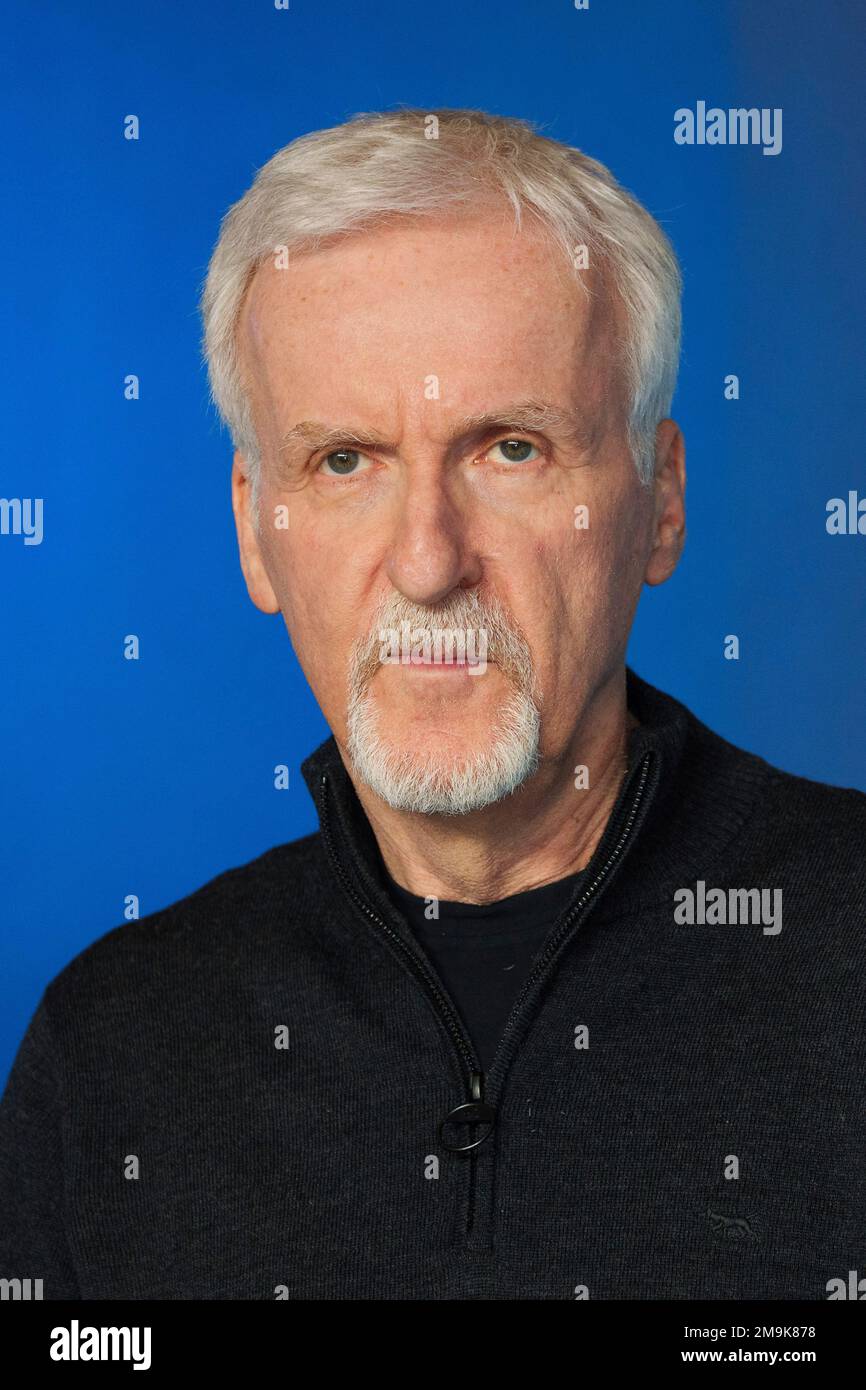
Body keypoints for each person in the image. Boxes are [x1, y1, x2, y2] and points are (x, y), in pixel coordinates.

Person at [1, 109, 863, 1301]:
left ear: (658, 500)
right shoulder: (108, 1053)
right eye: (344, 461)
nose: (424, 561)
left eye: (508, 448)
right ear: (257, 530)